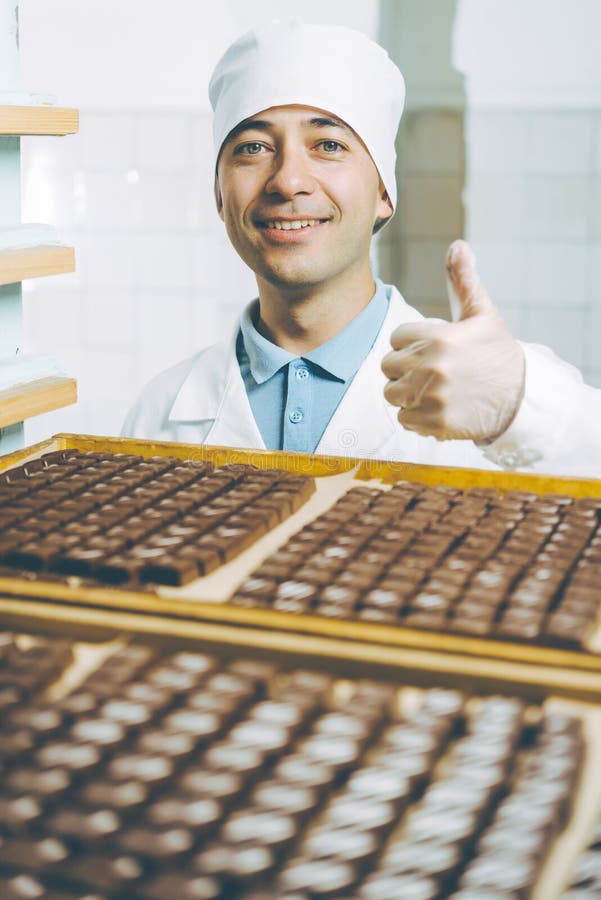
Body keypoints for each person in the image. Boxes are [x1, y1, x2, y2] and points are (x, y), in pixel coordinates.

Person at [123, 20, 601, 478]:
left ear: (383, 192)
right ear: (219, 195)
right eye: (253, 147)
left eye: (328, 145)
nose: (288, 181)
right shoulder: (159, 413)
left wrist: (515, 406)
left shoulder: (488, 395)